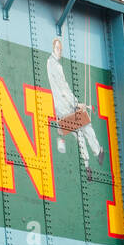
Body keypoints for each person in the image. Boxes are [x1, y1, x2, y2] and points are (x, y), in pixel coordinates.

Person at [45, 38, 104, 178]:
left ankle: (87, 164)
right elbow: (64, 88)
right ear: (54, 48)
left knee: (79, 135)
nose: (60, 52)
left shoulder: (49, 63)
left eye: (61, 49)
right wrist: (77, 104)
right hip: (67, 107)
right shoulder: (56, 66)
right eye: (58, 48)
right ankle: (97, 151)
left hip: (61, 111)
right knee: (86, 127)